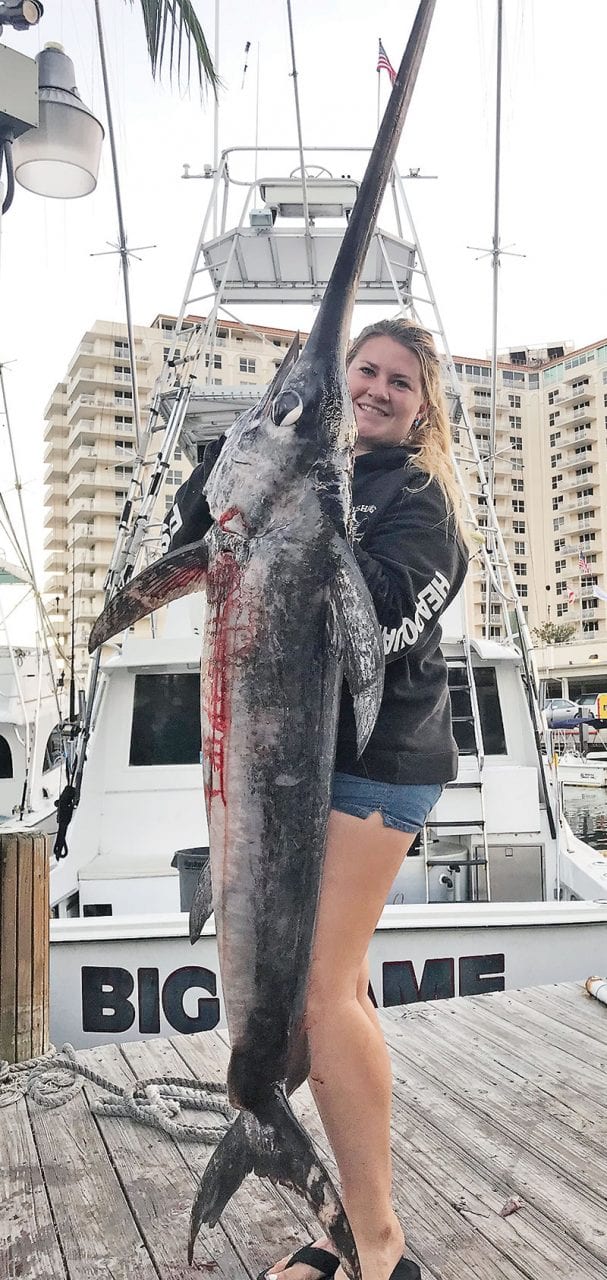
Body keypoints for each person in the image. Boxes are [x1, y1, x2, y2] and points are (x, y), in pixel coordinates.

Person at [164, 318, 469, 1280]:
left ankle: (380, 1248)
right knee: (326, 1002)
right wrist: (238, 463)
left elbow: (378, 621)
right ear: (343, 382)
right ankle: (341, 1228)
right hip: (300, 761)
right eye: (365, 372)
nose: (377, 389)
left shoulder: (422, 504)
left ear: (424, 408)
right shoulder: (306, 466)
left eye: (399, 382)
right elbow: (196, 532)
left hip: (382, 767)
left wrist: (311, 510)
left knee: (321, 994)